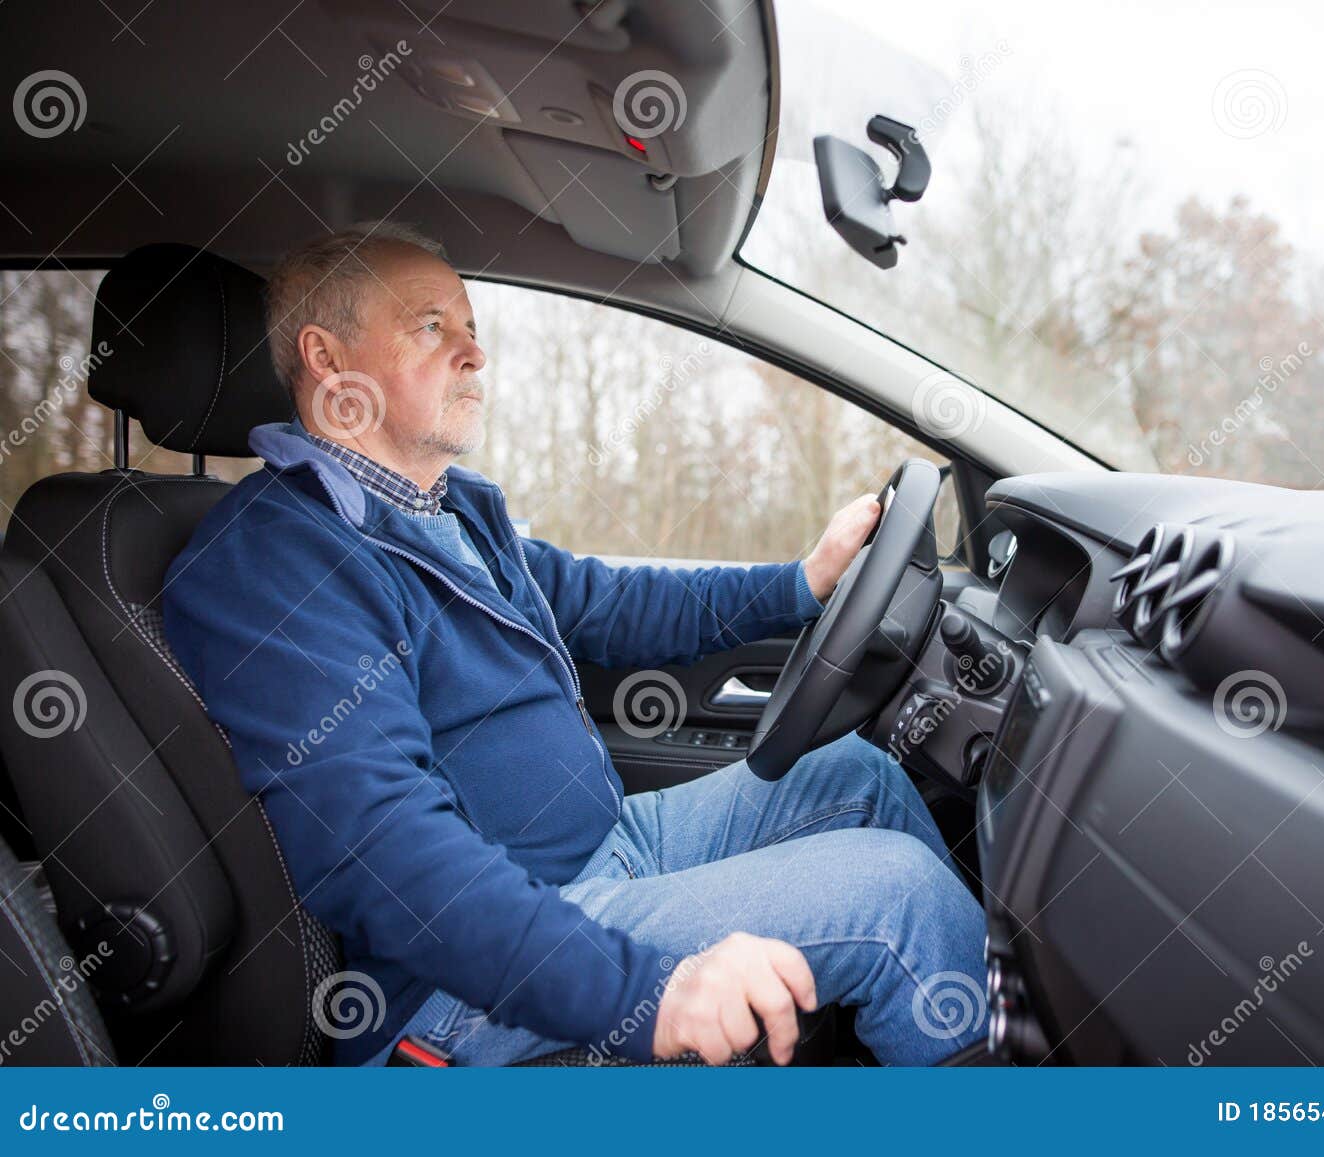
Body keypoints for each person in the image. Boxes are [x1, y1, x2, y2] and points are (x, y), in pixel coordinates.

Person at [163, 222, 986, 1066]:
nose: (475, 354)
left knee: (858, 773)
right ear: (329, 361)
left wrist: (798, 584)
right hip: (457, 989)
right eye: (431, 326)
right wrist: (641, 991)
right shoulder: (272, 558)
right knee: (900, 897)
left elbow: (611, 602)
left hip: (611, 846)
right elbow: (380, 847)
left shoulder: (449, 512)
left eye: (473, 328)